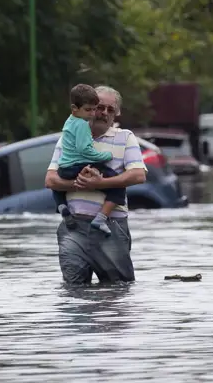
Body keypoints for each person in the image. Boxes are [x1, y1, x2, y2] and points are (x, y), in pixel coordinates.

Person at [44, 85, 147, 284]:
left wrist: (101, 182)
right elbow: (50, 180)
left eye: (111, 110)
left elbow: (138, 175)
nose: (104, 113)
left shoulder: (125, 137)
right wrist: (80, 183)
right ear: (89, 107)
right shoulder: (69, 137)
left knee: (118, 289)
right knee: (73, 290)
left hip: (111, 227)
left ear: (117, 114)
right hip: (73, 226)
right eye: (100, 107)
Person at [53, 84, 125, 236]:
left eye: (94, 109)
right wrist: (105, 156)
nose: (93, 114)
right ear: (74, 108)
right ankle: (101, 218)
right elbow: (85, 150)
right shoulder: (83, 125)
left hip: (64, 168)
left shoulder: (69, 122)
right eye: (90, 109)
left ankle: (61, 206)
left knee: (57, 184)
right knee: (119, 185)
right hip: (79, 166)